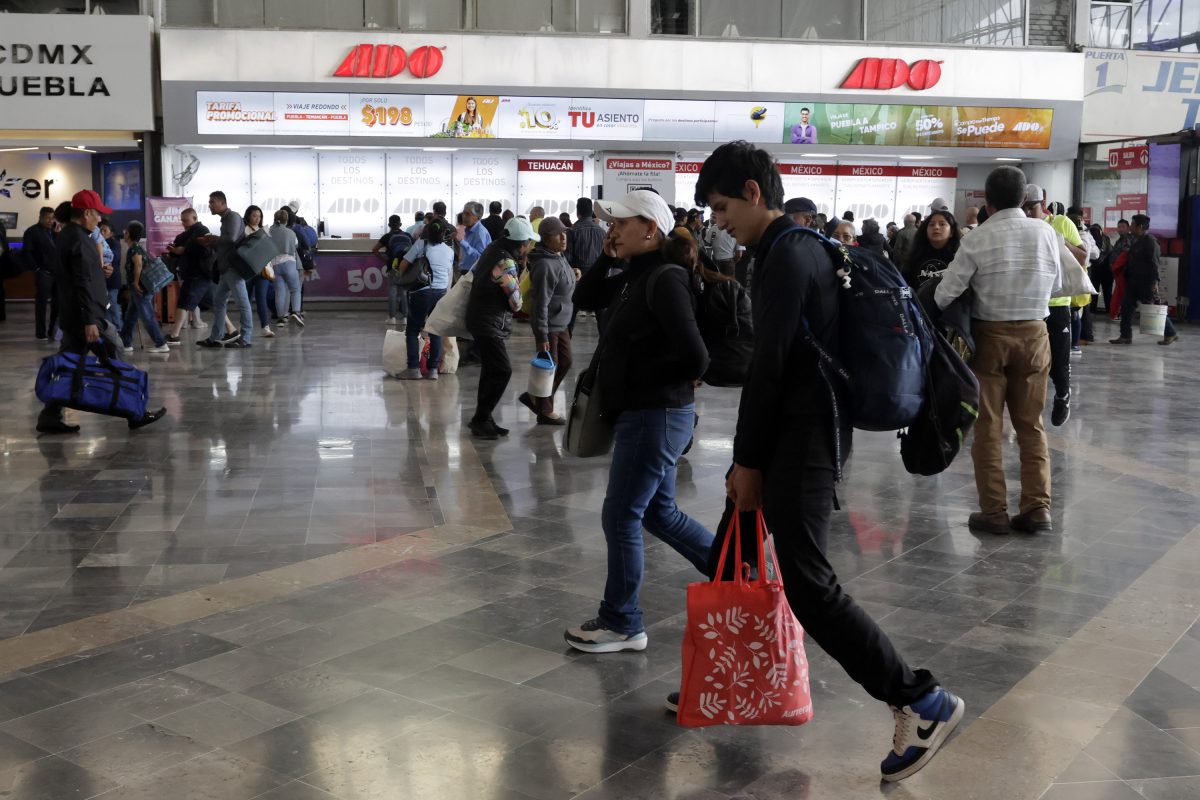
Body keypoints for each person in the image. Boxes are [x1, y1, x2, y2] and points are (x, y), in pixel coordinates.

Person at [691, 141, 961, 782]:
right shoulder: (801, 248)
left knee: (810, 585)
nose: (719, 223)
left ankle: (920, 700)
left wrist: (748, 461)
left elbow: (770, 366)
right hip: (802, 430)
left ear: (754, 193)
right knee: (734, 549)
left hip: (801, 439)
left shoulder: (786, 256)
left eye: (723, 208)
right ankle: (724, 677)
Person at [566, 188, 713, 656]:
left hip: (656, 415)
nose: (611, 231)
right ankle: (738, 570)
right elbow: (585, 296)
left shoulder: (666, 278)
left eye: (620, 223)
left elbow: (696, 358)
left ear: (650, 229)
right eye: (610, 223)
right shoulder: (636, 274)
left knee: (621, 514)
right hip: (649, 414)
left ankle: (622, 622)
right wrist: (606, 257)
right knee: (657, 512)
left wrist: (635, 379)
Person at [937, 166, 1060, 535]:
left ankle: (994, 512)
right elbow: (1057, 285)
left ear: (987, 203)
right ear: (1024, 199)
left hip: (989, 338)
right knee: (1031, 424)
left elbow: (945, 294)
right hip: (1035, 335)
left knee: (988, 427)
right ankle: (1037, 508)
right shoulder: (1046, 232)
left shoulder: (977, 237)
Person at [37, 190, 166, 433]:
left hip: (76, 315)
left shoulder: (68, 235)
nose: (99, 220)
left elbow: (82, 274)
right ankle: (135, 411)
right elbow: (82, 282)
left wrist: (100, 271)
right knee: (114, 353)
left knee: (71, 363)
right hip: (87, 317)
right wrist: (90, 320)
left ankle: (50, 414)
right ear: (86, 213)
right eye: (97, 214)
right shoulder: (79, 239)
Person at [464, 217, 538, 438]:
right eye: (528, 243)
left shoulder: (492, 250)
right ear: (522, 244)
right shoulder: (506, 262)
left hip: (480, 318)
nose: (528, 247)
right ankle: (480, 418)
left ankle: (484, 418)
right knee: (502, 370)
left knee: (491, 369)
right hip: (489, 322)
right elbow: (516, 302)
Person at [1023, 185, 1085, 425]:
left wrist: (1061, 242)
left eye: (1032, 207)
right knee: (1030, 362)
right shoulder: (1020, 226)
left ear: (1043, 204)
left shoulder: (1061, 223)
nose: (1028, 212)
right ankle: (1029, 407)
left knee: (1059, 361)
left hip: (1057, 302)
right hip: (1030, 303)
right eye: (1024, 208)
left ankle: (1063, 395)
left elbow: (1083, 256)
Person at [518, 215, 575, 424]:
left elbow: (561, 281)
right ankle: (545, 410)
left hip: (562, 322)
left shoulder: (559, 256)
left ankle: (535, 396)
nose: (563, 237)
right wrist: (541, 335)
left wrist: (573, 275)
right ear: (545, 237)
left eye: (564, 233)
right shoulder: (544, 264)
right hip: (550, 324)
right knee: (551, 366)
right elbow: (540, 303)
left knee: (565, 362)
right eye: (557, 234)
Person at [394, 218, 456, 381]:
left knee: (413, 330)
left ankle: (413, 369)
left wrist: (402, 277)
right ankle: (433, 370)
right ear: (444, 233)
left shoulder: (421, 244)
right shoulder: (449, 250)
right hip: (441, 292)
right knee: (435, 331)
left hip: (421, 291)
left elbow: (404, 264)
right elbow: (448, 271)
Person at [1111, 214, 1178, 346]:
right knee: (1126, 307)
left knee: (1152, 308)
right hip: (1133, 281)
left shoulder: (1150, 241)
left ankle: (1170, 333)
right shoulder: (1136, 240)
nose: (1130, 226)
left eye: (1132, 224)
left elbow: (1154, 263)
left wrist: (1154, 282)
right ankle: (1125, 336)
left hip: (1145, 282)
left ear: (1140, 226)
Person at [197, 191, 252, 349]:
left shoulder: (232, 217)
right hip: (225, 269)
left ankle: (246, 338)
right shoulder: (225, 219)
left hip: (233, 269)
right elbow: (225, 244)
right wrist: (210, 242)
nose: (209, 205)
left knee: (243, 303)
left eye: (212, 202)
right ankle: (216, 337)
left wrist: (213, 239)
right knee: (218, 302)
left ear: (222, 202)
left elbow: (232, 238)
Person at [164, 208, 217, 345]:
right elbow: (182, 250)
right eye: (182, 221)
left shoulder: (201, 230)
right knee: (215, 304)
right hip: (195, 274)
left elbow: (206, 251)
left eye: (186, 220)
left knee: (184, 303)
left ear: (195, 218)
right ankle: (231, 330)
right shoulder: (186, 235)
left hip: (197, 273)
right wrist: (174, 251)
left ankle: (174, 334)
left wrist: (184, 250)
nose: (183, 223)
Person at [117, 221, 170, 354]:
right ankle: (126, 343)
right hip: (139, 289)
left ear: (128, 234)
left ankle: (161, 343)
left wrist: (135, 282)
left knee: (147, 316)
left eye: (126, 232)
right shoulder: (135, 247)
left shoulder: (135, 249)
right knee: (130, 317)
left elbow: (138, 265)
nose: (124, 233)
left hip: (140, 288)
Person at [25, 206, 59, 341]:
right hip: (43, 272)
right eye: (48, 218)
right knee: (41, 304)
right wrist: (36, 268)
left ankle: (52, 331)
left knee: (57, 303)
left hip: (57, 272)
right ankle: (40, 333)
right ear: (40, 217)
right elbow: (27, 252)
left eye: (52, 218)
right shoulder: (32, 231)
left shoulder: (55, 231)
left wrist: (58, 234)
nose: (51, 221)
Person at [904, 210, 961, 287]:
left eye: (942, 224)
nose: (936, 227)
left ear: (951, 232)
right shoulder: (915, 256)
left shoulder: (960, 257)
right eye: (932, 224)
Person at [375, 214, 411, 327]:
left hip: (393, 266)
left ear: (389, 225)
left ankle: (392, 318)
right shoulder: (407, 235)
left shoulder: (387, 236)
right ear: (400, 224)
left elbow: (374, 249)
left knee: (393, 291)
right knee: (404, 291)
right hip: (406, 266)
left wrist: (384, 260)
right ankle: (405, 318)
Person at [269, 209, 303, 328]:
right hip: (289, 263)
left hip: (274, 265)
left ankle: (280, 318)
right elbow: (296, 245)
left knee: (279, 292)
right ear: (286, 220)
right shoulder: (291, 232)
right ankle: (296, 312)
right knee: (295, 289)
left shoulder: (268, 232)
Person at [566, 197, 605, 276]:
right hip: (599, 273)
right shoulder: (602, 231)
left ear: (577, 212)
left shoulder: (572, 231)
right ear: (592, 212)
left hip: (578, 275)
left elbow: (567, 258)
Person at [98, 219, 122, 331]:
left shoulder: (114, 243)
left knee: (112, 305)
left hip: (112, 281)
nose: (102, 232)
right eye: (100, 230)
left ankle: (118, 328)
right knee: (106, 306)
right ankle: (109, 330)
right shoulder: (98, 242)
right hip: (102, 281)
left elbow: (114, 257)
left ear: (111, 233)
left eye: (105, 230)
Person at [1087, 222, 1114, 321]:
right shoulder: (1106, 240)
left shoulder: (1093, 240)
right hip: (1104, 271)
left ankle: (1093, 311)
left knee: (1096, 292)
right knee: (1105, 293)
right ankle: (1108, 312)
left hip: (1099, 270)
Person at [458, 201, 493, 275]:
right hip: (466, 272)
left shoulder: (480, 232)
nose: (464, 216)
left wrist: (462, 242)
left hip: (474, 274)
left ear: (477, 217)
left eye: (468, 214)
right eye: (463, 213)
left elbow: (480, 257)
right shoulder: (467, 229)